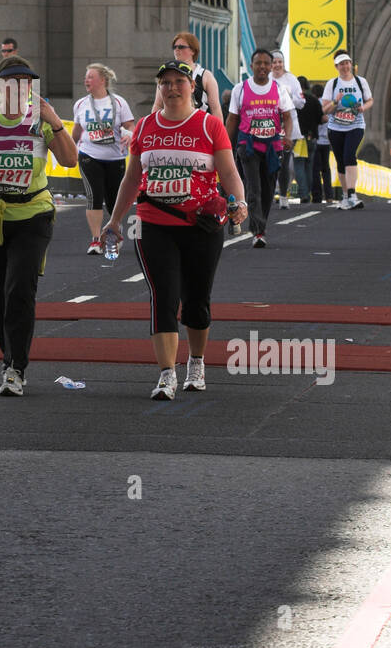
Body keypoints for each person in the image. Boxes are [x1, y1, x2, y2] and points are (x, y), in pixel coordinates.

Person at [101, 59, 247, 401]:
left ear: (191, 86)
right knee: (163, 296)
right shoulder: (146, 127)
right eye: (165, 82)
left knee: (197, 300)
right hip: (154, 222)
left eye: (178, 81)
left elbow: (228, 173)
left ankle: (196, 362)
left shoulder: (210, 125)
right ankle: (166, 373)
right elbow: (132, 178)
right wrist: (115, 220)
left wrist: (239, 203)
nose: (171, 88)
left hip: (201, 225)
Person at [0, 55, 78, 396]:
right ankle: (9, 356)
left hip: (32, 215)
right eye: (12, 82)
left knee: (19, 289)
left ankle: (14, 368)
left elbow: (70, 160)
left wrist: (54, 120)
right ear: (0, 85)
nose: (18, 88)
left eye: (25, 82)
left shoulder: (39, 121)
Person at [225, 48, 293, 247]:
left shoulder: (279, 89)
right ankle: (258, 231)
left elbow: (287, 116)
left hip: (272, 146)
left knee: (268, 188)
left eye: (266, 63)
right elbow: (233, 119)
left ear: (271, 66)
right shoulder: (241, 88)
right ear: (252, 65)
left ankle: (260, 224)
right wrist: (225, 146)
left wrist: (287, 136)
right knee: (254, 187)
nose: (262, 67)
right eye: (258, 63)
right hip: (248, 145)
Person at [71, 63, 134, 255]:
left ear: (102, 80)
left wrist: (129, 135)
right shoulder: (81, 104)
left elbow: (131, 126)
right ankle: (96, 240)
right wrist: (67, 151)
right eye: (86, 77)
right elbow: (75, 133)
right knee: (94, 197)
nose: (86, 80)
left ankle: (115, 227)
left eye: (90, 77)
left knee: (114, 199)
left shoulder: (119, 103)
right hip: (89, 156)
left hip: (115, 157)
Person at [321, 51, 374, 210]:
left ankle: (352, 194)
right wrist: (336, 101)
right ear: (336, 66)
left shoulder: (360, 81)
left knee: (349, 155)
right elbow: (325, 109)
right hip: (336, 127)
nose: (345, 66)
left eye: (347, 63)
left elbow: (370, 100)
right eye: (341, 64)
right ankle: (345, 195)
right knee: (340, 160)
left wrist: (363, 108)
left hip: (355, 125)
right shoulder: (333, 83)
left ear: (351, 64)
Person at [150, 32, 223, 123]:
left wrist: (219, 131)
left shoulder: (205, 76)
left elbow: (215, 108)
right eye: (174, 47)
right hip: (172, 125)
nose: (177, 50)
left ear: (193, 50)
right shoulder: (166, 75)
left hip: (198, 124)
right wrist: (154, 125)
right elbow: (158, 105)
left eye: (181, 47)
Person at [271, 51, 305, 207]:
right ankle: (269, 192)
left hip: (288, 126)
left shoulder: (291, 79)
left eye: (280, 62)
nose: (278, 65)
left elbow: (301, 103)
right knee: (269, 160)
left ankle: (283, 196)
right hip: (270, 125)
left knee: (284, 161)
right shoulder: (265, 79)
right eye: (275, 62)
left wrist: (291, 97)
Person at [294, 75, 322, 204]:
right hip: (312, 137)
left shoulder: (295, 101)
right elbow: (320, 118)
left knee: (298, 164)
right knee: (309, 165)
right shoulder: (314, 100)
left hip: (299, 137)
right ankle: (308, 192)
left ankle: (304, 193)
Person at [310, 83, 335, 206]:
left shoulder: (314, 104)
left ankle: (317, 196)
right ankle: (329, 196)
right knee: (326, 169)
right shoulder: (328, 105)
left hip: (316, 140)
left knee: (315, 170)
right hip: (327, 141)